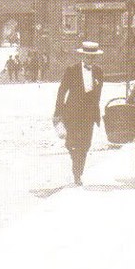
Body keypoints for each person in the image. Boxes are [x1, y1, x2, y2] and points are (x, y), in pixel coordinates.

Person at [53, 41, 105, 186]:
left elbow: (98, 94)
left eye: (93, 57)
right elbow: (62, 90)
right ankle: (76, 167)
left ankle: (78, 172)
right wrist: (58, 111)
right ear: (82, 56)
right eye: (88, 56)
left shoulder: (99, 72)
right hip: (72, 112)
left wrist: (96, 112)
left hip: (89, 114)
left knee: (86, 144)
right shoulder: (72, 70)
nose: (90, 59)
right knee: (71, 144)